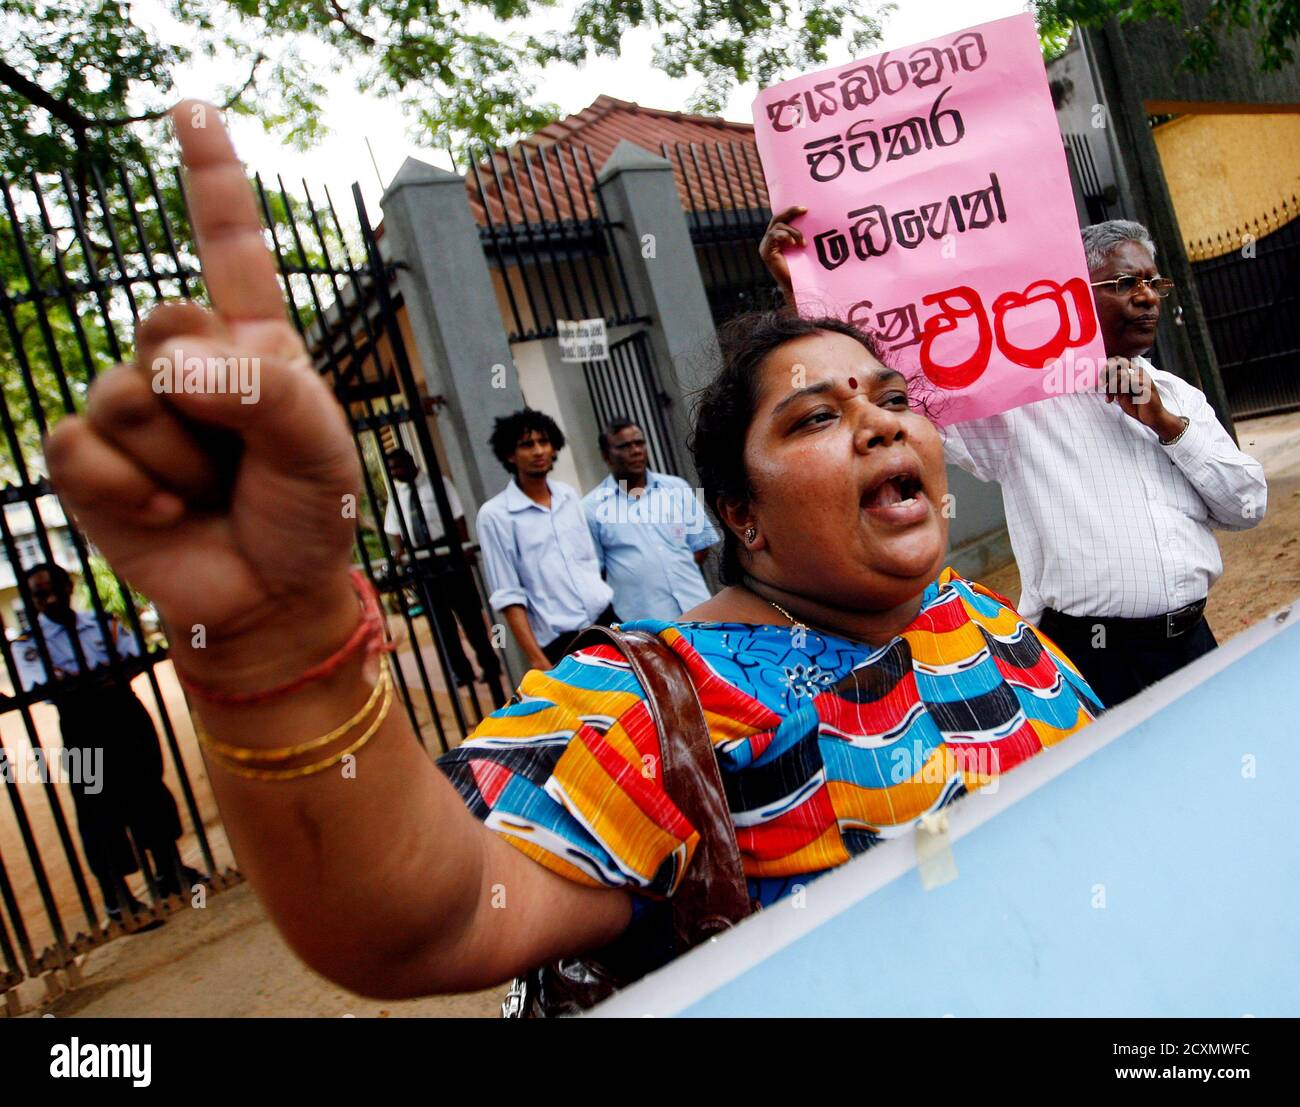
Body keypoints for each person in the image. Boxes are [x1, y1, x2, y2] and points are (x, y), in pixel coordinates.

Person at [41, 102, 1102, 998]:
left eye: (891, 399)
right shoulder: (659, 702)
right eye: (814, 419)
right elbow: (434, 915)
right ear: (738, 515)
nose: (881, 424)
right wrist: (284, 661)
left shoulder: (974, 620)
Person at [760, 207, 1267, 707]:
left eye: (1155, 284)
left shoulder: (1176, 399)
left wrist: (1167, 426)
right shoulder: (1019, 404)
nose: (1146, 298)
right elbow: (896, 384)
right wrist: (800, 296)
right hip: (1092, 660)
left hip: (1193, 643)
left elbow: (1246, 507)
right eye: (1124, 283)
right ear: (1072, 293)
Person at [13, 563, 201, 924]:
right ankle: (119, 899)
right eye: (40, 594)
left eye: (54, 588)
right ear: (32, 599)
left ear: (69, 586)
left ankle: (169, 870)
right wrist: (99, 676)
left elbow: (132, 658)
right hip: (80, 725)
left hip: (125, 715)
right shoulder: (27, 644)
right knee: (96, 808)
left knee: (148, 787)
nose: (50, 599)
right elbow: (47, 687)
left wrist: (86, 680)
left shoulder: (103, 622)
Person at [476, 408, 618, 670]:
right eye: (527, 445)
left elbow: (589, 562)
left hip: (606, 621)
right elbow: (508, 596)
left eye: (544, 442)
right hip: (561, 642)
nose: (539, 451)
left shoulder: (568, 495)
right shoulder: (495, 516)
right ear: (510, 454)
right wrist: (537, 659)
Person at [382, 448, 502, 702]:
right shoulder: (397, 495)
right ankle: (461, 672)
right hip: (422, 561)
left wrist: (462, 547)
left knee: (469, 617)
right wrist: (400, 555)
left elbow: (457, 516)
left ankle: (490, 666)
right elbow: (394, 530)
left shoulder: (438, 483)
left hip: (447, 552)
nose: (395, 472)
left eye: (398, 466)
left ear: (410, 463)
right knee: (441, 624)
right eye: (391, 469)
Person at [581, 417, 719, 621]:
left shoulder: (678, 487)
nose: (636, 450)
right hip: (645, 625)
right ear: (606, 456)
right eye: (625, 446)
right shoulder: (590, 508)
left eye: (639, 443)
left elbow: (700, 545)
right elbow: (594, 573)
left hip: (698, 608)